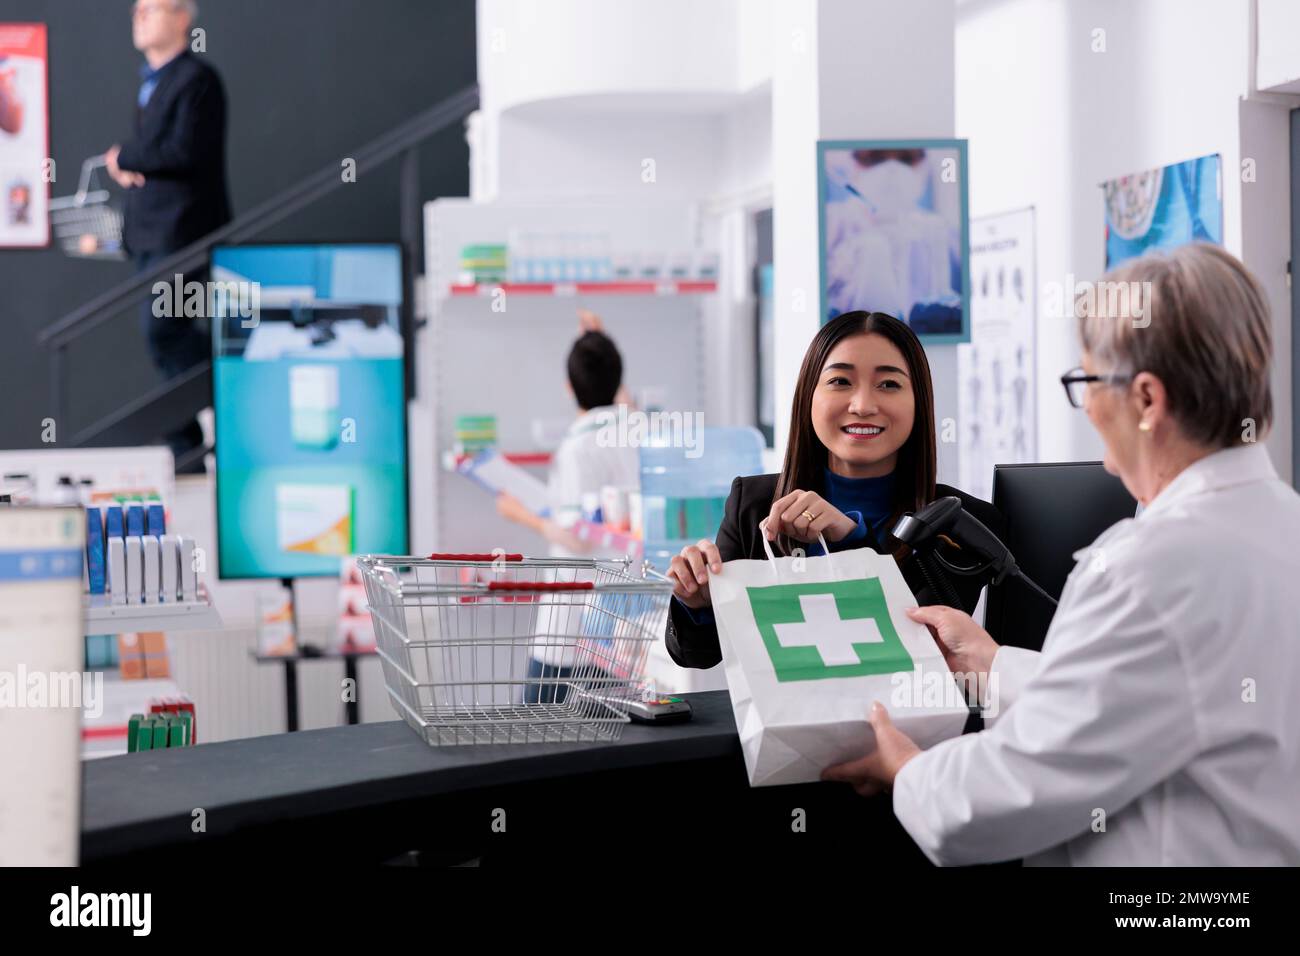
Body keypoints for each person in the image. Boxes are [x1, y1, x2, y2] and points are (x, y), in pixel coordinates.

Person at [823, 243, 1300, 866]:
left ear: (1148, 401)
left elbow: (1009, 793)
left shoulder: (1146, 568)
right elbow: (1151, 699)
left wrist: (906, 768)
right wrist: (991, 664)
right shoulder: (1280, 523)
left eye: (1088, 382)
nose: (1091, 409)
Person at [665, 310, 1003, 672]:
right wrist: (697, 601)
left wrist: (849, 540)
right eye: (840, 381)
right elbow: (697, 655)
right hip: (784, 727)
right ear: (809, 396)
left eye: (888, 384)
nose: (862, 405)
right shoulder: (753, 503)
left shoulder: (961, 522)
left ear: (919, 402)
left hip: (919, 727)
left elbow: (919, 649)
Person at [103, 0, 231, 472]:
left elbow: (182, 150)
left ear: (182, 17)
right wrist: (132, 163)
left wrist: (128, 158)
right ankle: (192, 439)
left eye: (152, 8)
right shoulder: (151, 83)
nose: (140, 16)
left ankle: (222, 408)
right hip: (152, 237)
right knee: (162, 335)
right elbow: (160, 156)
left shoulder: (197, 80)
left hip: (185, 235)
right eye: (138, 10)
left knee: (163, 327)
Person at [496, 309, 639, 704]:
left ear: (568, 387)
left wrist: (520, 513)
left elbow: (577, 537)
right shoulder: (635, 429)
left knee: (540, 736)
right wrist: (601, 345)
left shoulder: (578, 448)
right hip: (620, 623)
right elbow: (620, 398)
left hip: (569, 631)